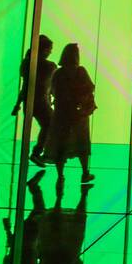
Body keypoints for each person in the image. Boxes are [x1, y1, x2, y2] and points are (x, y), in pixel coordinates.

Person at [45, 43, 96, 184]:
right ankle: (85, 173)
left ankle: (60, 175)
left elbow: (53, 91)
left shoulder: (58, 73)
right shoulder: (81, 71)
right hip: (79, 114)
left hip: (61, 114)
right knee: (82, 144)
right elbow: (90, 88)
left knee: (61, 146)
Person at [13, 35, 56, 165]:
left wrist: (18, 104)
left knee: (46, 126)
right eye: (49, 49)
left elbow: (25, 87)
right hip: (42, 102)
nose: (50, 52)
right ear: (43, 49)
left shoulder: (27, 63)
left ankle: (38, 152)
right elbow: (53, 85)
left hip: (29, 102)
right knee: (50, 125)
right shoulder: (49, 66)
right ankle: (39, 152)